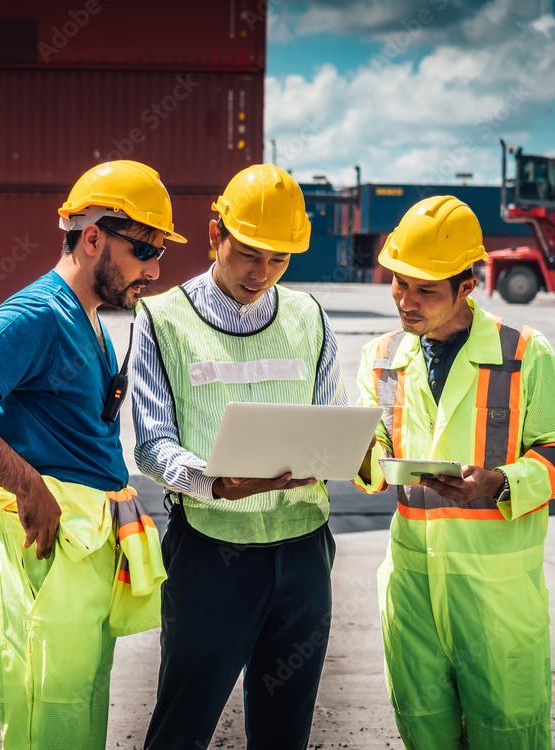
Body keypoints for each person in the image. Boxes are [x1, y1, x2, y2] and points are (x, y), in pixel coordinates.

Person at [0, 160, 185, 750]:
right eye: (142, 250)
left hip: (78, 557)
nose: (155, 270)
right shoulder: (37, 314)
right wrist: (27, 487)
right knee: (47, 721)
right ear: (92, 239)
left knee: (77, 713)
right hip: (47, 557)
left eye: (158, 252)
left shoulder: (87, 317)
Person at [355, 195, 555, 749]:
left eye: (424, 290)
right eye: (398, 282)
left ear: (467, 285)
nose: (405, 301)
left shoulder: (525, 354)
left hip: (497, 595)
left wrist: (500, 482)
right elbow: (378, 448)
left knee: (507, 732)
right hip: (411, 588)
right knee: (424, 731)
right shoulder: (384, 358)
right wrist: (349, 452)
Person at [131, 163, 346, 750]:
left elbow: (335, 419)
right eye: (249, 253)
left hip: (303, 554)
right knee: (181, 727)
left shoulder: (310, 316)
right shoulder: (161, 319)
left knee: (285, 733)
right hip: (210, 554)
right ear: (213, 235)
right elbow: (152, 442)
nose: (262, 273)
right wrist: (210, 481)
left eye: (279, 259)